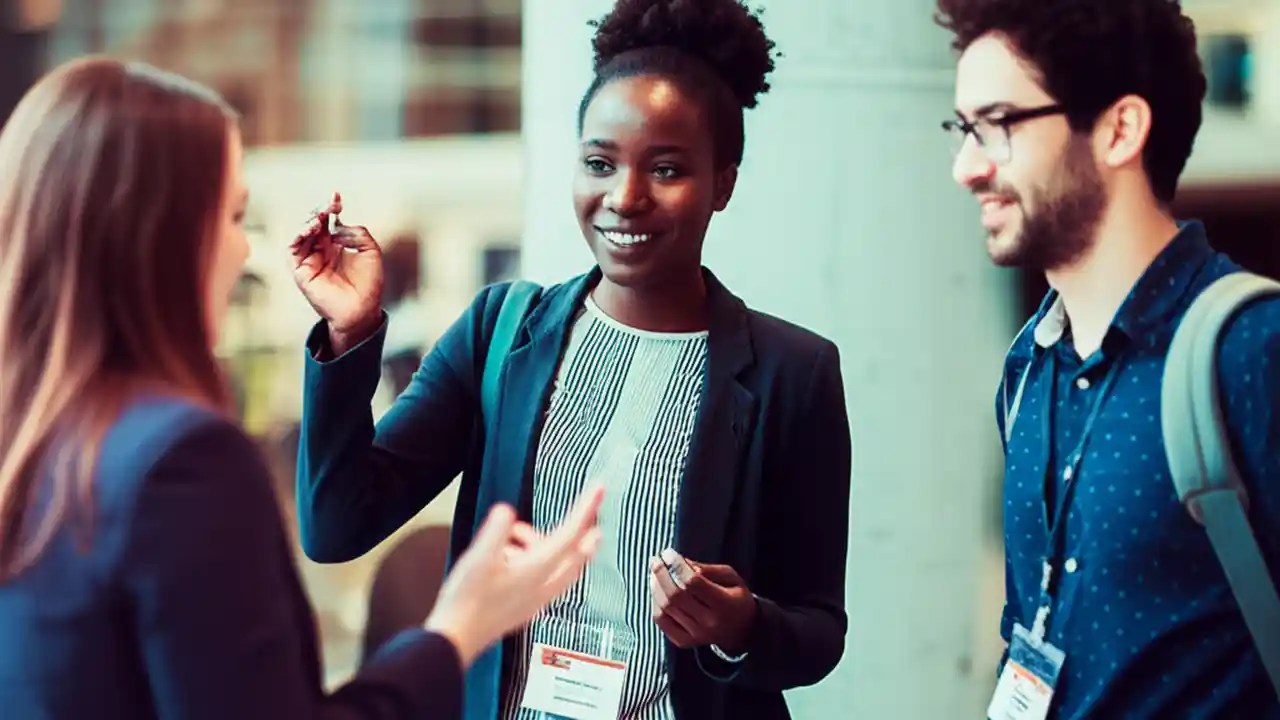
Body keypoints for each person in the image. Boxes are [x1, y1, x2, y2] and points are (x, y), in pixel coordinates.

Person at [291, 0, 853, 717]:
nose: (625, 198)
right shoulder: (500, 330)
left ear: (723, 183)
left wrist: (741, 627)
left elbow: (818, 631)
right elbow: (336, 526)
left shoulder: (790, 372)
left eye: (669, 168)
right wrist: (349, 333)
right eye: (599, 163)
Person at [0, 56, 602, 720]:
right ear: (157, 233)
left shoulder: (30, 439)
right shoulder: (178, 459)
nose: (245, 251)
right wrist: (459, 627)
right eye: (232, 217)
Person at [935, 0, 1280, 716]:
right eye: (964, 129)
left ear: (1120, 129)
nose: (966, 167)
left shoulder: (1253, 350)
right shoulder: (1027, 369)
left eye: (998, 126)